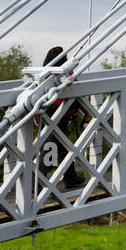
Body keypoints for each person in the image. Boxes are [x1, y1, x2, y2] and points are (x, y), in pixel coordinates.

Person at [37, 46, 86, 190]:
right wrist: (86, 111)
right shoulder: (64, 73)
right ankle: (38, 182)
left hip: (46, 113)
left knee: (60, 147)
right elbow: (76, 89)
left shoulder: (43, 73)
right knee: (50, 148)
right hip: (61, 114)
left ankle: (70, 178)